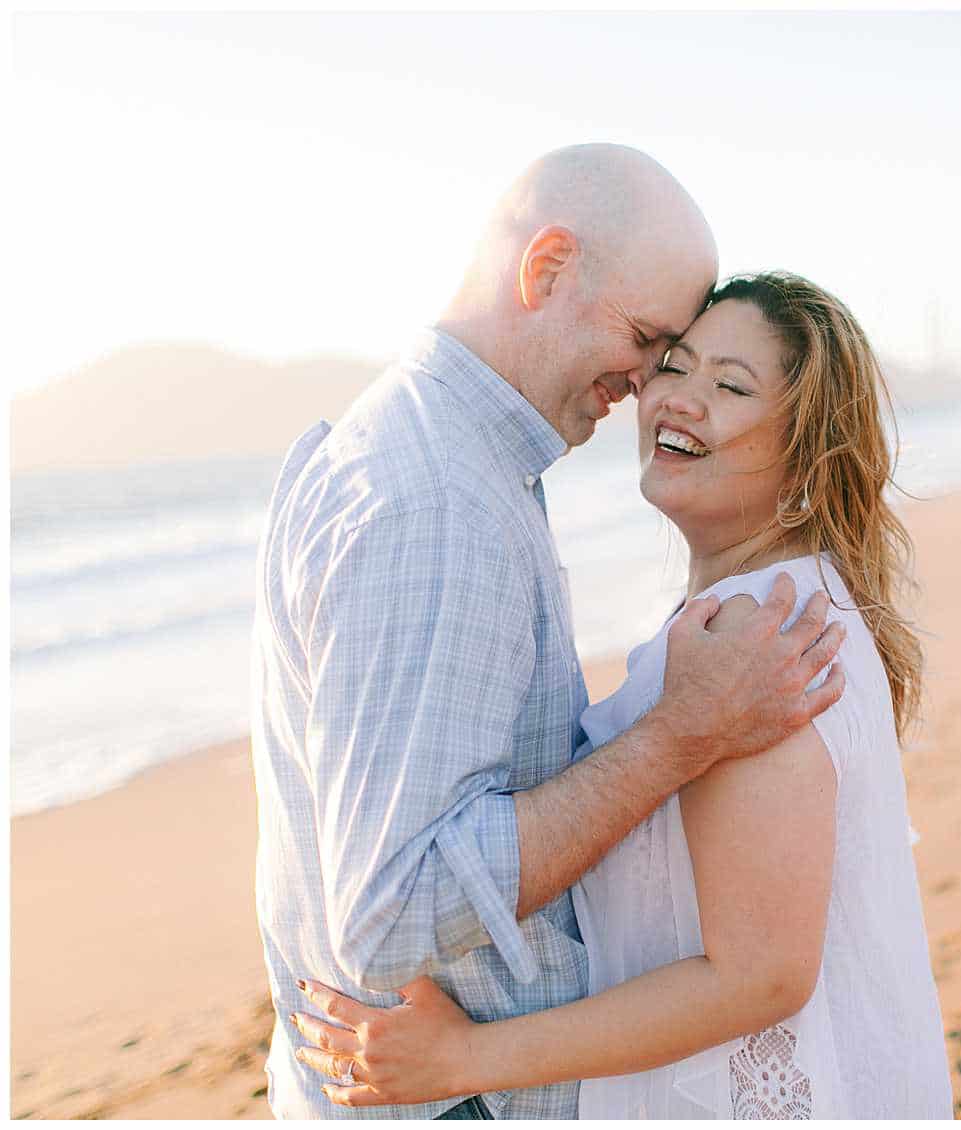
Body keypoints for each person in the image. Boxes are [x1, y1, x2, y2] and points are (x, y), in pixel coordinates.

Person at [250, 149, 848, 1120]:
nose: (651, 383)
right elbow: (396, 910)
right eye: (651, 338)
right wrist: (679, 735)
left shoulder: (439, 458)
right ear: (547, 269)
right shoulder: (439, 499)